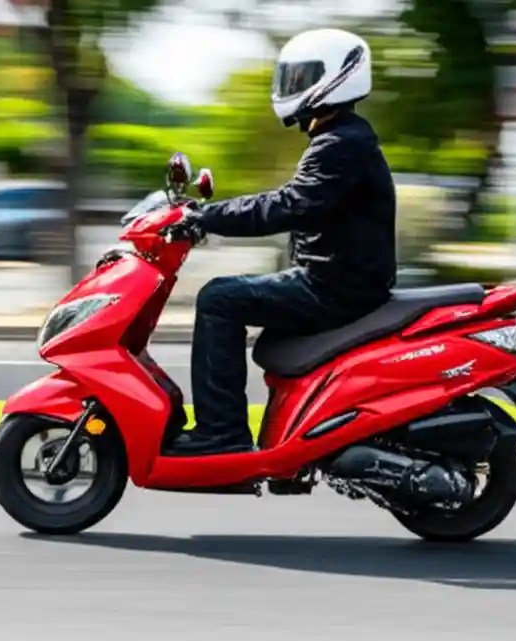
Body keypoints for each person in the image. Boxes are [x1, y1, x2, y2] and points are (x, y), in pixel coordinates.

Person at [168, 28, 397, 456]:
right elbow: (295, 203)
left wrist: (206, 217)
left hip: (335, 288)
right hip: (337, 280)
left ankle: (221, 432)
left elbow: (290, 205)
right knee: (242, 308)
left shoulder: (340, 143)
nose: (291, 87)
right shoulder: (341, 137)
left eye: (302, 77)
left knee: (219, 299)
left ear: (336, 78)